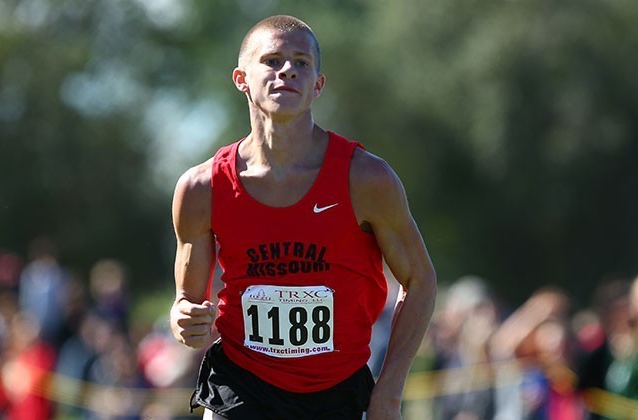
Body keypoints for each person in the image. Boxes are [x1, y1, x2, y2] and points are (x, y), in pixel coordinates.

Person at [169, 15, 437, 420]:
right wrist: (183, 320)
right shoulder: (201, 188)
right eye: (272, 60)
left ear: (318, 85)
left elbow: (420, 280)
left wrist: (389, 391)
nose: (287, 70)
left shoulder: (366, 178)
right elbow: (187, 303)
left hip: (338, 391)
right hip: (241, 385)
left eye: (301, 62)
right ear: (241, 78)